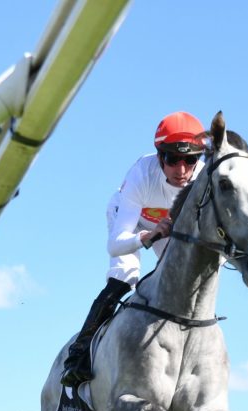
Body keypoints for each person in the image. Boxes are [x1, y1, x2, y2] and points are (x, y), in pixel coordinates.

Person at [61, 111, 207, 386]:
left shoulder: (202, 178)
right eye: (173, 159)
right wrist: (149, 235)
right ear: (160, 156)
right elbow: (115, 246)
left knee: (184, 280)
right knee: (125, 275)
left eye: (191, 159)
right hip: (132, 221)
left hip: (167, 224)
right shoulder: (141, 174)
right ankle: (78, 355)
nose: (183, 170)